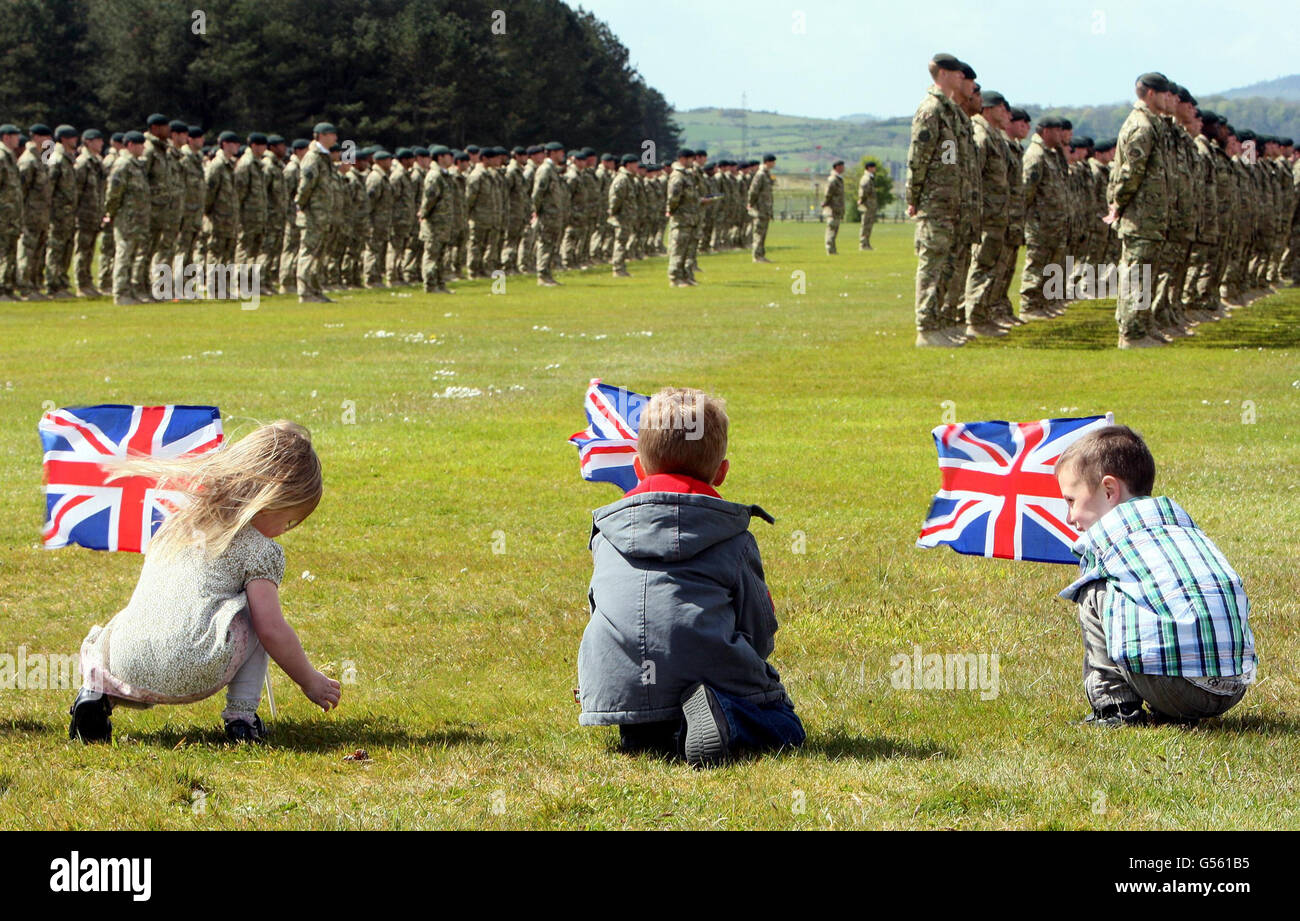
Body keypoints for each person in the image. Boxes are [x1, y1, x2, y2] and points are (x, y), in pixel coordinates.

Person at [69, 421, 341, 745]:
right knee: (256, 615)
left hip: (126, 664)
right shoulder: (261, 549)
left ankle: (96, 695)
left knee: (128, 621)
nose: (287, 529)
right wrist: (309, 680)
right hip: (197, 664)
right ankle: (242, 719)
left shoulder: (176, 523)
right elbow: (271, 629)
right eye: (290, 519)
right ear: (270, 499)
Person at [577, 388, 805, 766]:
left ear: (638, 467)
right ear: (721, 472)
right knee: (786, 726)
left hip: (624, 694)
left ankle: (657, 731)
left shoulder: (605, 534)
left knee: (656, 719)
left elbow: (599, 608)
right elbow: (759, 627)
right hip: (708, 681)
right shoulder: (733, 536)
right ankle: (726, 720)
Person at [1055, 425, 1256, 726]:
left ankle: (1116, 709)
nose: (1069, 517)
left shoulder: (1107, 536)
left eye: (1071, 501)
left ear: (1109, 490)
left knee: (1093, 589)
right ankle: (1173, 713)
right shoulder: (1180, 526)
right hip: (1235, 683)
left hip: (1175, 687)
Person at [747, 153, 776, 262]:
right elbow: (753, 190)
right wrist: (751, 203)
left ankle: (761, 255)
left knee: (763, 233)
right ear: (767, 162)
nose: (774, 164)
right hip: (760, 208)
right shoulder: (760, 174)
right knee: (758, 233)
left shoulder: (767, 174)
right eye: (772, 162)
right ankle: (756, 256)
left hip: (766, 208)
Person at [822, 158, 845, 254]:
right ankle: (830, 249)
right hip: (832, 208)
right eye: (842, 166)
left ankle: (833, 249)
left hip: (837, 208)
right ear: (837, 167)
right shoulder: (833, 179)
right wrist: (826, 202)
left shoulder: (838, 179)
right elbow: (828, 193)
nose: (844, 168)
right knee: (831, 228)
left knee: (835, 229)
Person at [857, 160, 878, 250]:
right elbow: (863, 191)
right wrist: (862, 200)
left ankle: (866, 243)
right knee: (865, 225)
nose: (875, 169)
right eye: (873, 167)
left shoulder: (870, 178)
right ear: (869, 168)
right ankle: (863, 244)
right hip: (867, 205)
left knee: (869, 225)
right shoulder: (866, 178)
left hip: (870, 205)